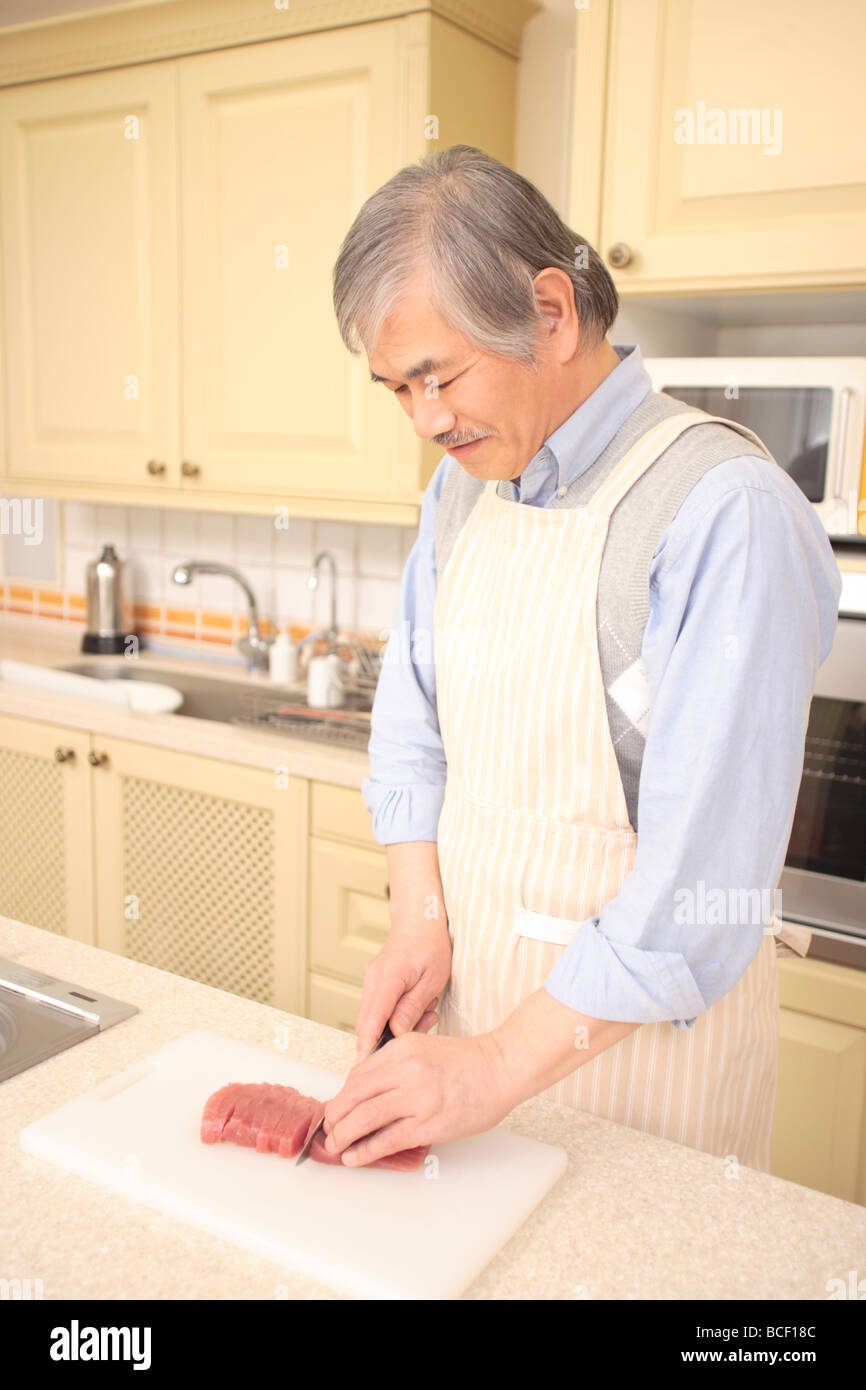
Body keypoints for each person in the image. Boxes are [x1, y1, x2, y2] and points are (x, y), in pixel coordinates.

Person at [319, 145, 842, 1172]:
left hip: (646, 1082)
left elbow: (702, 888)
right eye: (396, 389)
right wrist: (419, 918)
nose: (425, 420)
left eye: (438, 377)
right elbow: (412, 723)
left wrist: (493, 1066)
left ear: (551, 313)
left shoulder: (723, 512)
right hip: (467, 1042)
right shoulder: (462, 488)